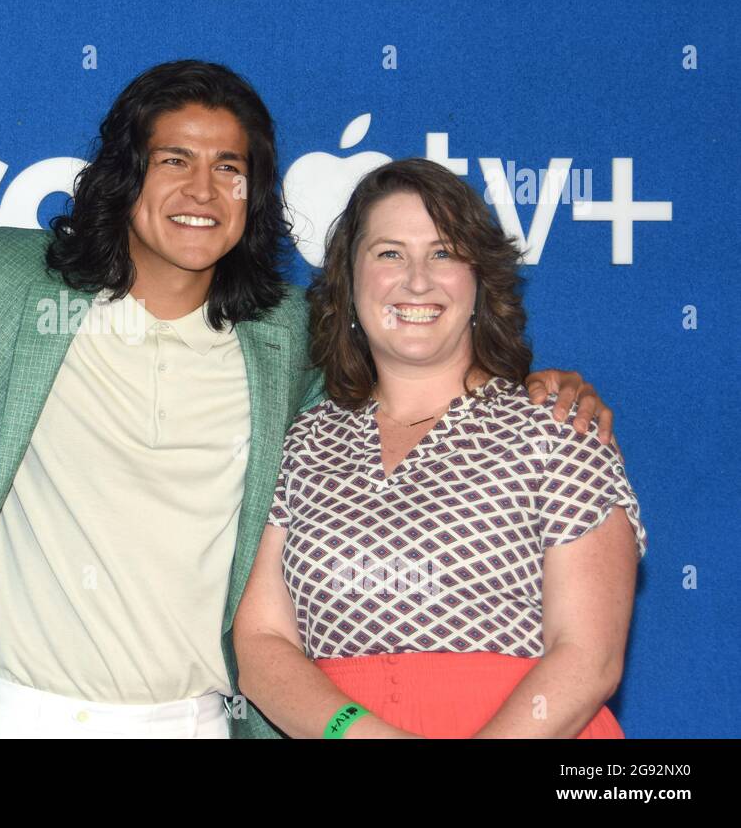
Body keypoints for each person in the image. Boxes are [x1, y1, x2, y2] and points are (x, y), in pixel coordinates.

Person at [0, 61, 612, 738]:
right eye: (174, 160)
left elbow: (409, 361)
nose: (202, 191)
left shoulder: (281, 337)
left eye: (231, 168)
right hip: (10, 714)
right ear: (127, 175)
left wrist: (540, 387)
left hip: (191, 719)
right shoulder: (9, 284)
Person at [233, 157, 645, 738]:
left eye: (444, 253)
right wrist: (357, 733)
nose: (417, 280)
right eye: (389, 253)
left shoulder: (556, 428)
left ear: (481, 281)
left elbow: (588, 657)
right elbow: (261, 645)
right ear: (349, 285)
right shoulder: (307, 441)